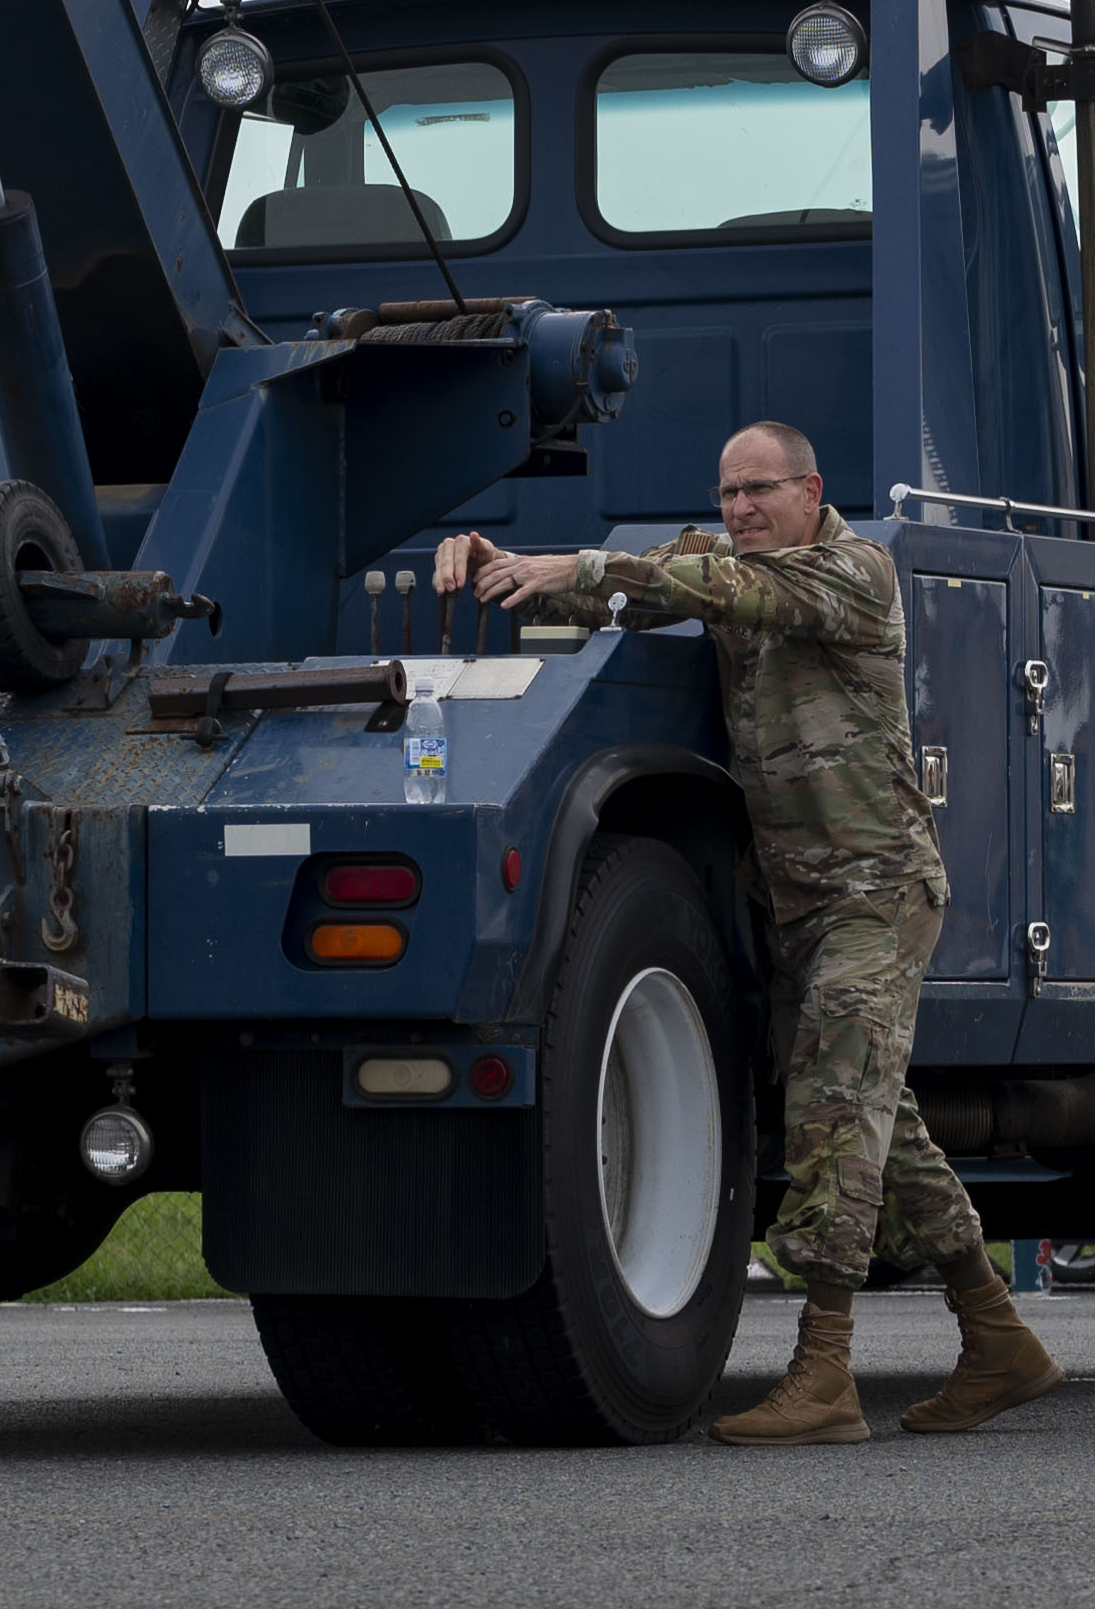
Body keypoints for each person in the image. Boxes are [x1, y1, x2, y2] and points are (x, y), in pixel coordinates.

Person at [438, 422, 1059, 1445]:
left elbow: (720, 591)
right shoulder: (723, 561)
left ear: (811, 489)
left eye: (758, 490)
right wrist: (502, 568)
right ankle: (997, 1335)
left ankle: (825, 1371)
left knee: (830, 1108)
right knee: (879, 1119)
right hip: (797, 899)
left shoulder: (850, 570)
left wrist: (605, 564)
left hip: (875, 889)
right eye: (726, 494)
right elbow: (623, 590)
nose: (738, 511)